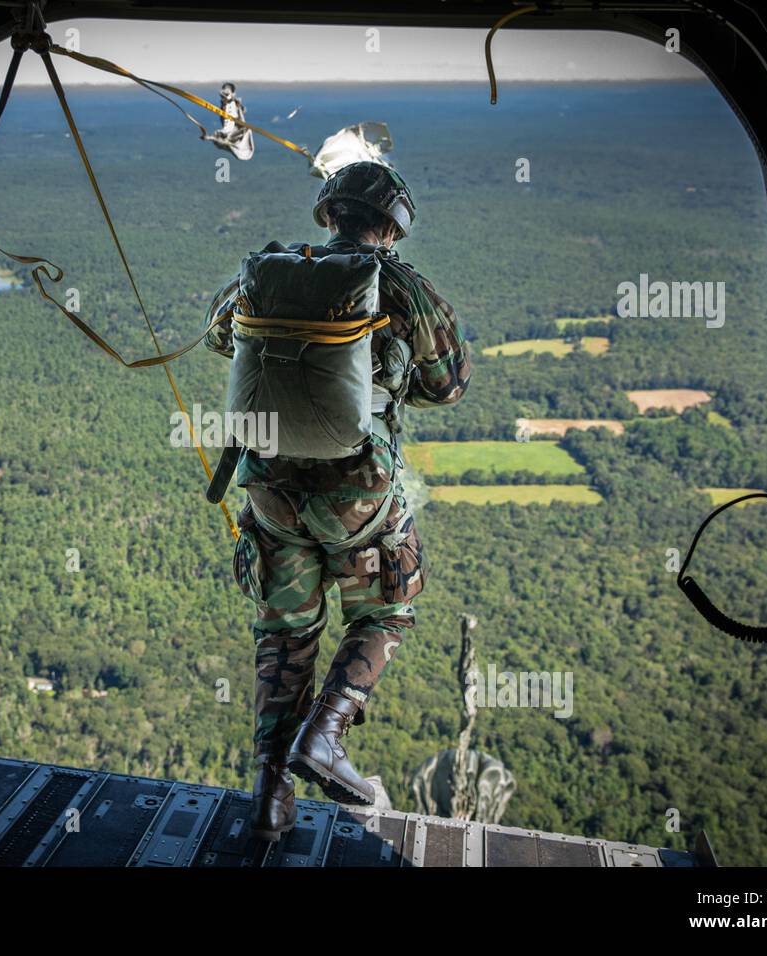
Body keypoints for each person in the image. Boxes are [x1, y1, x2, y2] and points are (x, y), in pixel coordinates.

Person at [204, 161, 472, 840]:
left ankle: (271, 791)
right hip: (357, 491)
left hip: (268, 489)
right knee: (389, 605)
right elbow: (447, 386)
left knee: (284, 631)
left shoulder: (269, 271)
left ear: (330, 214)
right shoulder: (401, 285)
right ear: (393, 223)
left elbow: (218, 336)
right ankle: (324, 735)